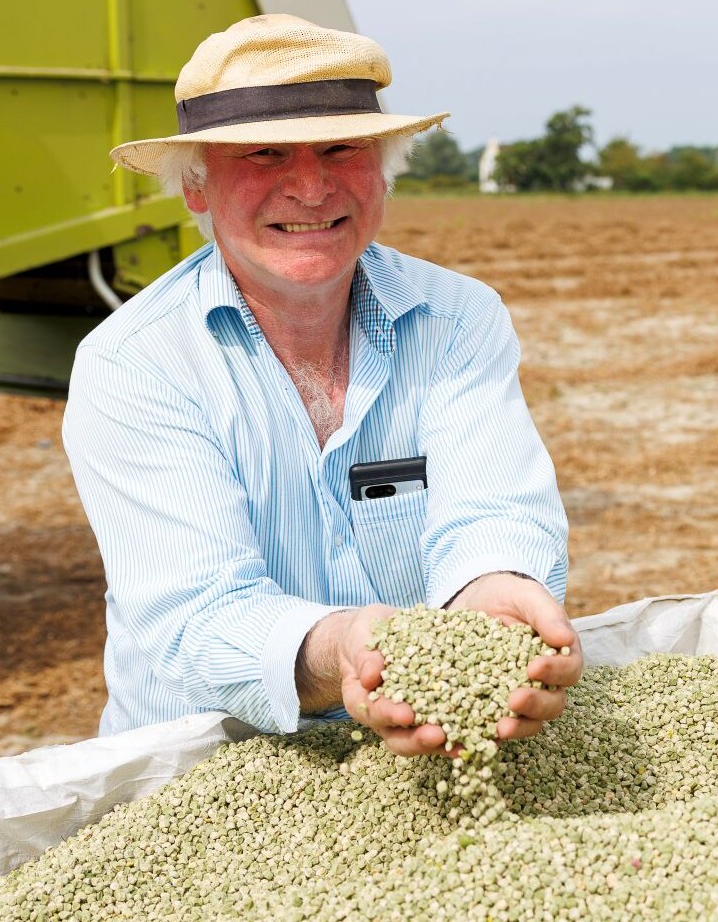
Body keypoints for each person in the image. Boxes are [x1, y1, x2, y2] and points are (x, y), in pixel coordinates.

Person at [61, 14, 580, 756]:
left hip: (430, 746)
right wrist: (344, 651)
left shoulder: (458, 319)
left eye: (342, 148)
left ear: (381, 169)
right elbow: (198, 618)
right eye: (264, 154)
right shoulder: (135, 363)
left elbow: (493, 508)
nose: (310, 186)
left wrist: (493, 595)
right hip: (208, 765)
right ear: (197, 188)